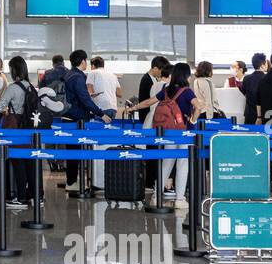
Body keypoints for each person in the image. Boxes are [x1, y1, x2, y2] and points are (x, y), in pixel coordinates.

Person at [127, 62, 199, 203]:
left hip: (168, 132)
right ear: (185, 75)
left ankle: (156, 195)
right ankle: (179, 199)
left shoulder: (166, 90)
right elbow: (199, 106)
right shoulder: (187, 91)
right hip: (183, 133)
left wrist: (132, 108)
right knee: (182, 164)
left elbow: (149, 102)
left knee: (167, 162)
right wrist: (193, 120)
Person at [63, 50, 118, 194]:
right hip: (77, 118)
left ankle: (72, 181)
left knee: (72, 150)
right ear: (82, 61)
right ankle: (72, 182)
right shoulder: (78, 77)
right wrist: (101, 113)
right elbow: (85, 100)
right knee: (76, 150)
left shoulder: (69, 75)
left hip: (68, 116)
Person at [0, 55, 38, 208]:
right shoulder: (31, 87)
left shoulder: (13, 88)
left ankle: (21, 198)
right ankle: (35, 196)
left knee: (18, 161)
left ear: (14, 70)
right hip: (29, 128)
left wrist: (0, 105)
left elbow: (0, 107)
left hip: (15, 127)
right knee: (30, 162)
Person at [135, 56, 171, 126]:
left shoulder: (155, 79)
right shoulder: (147, 80)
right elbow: (148, 101)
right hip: (148, 116)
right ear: (155, 68)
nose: (163, 73)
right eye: (162, 71)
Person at [241, 53, 268, 125]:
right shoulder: (267, 78)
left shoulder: (246, 78)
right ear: (263, 65)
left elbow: (244, 93)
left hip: (249, 114)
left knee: (249, 135)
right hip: (264, 114)